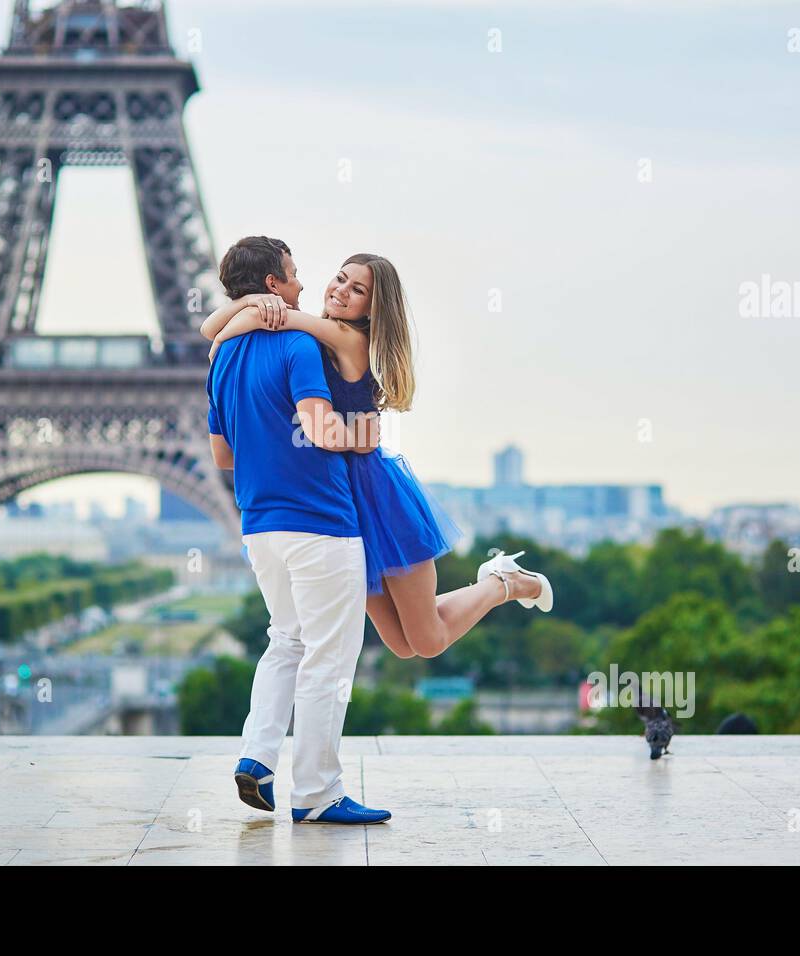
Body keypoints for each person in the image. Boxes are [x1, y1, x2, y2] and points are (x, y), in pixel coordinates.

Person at [203, 249, 553, 664]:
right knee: (404, 646)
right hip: (333, 501)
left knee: (428, 640)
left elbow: (228, 328)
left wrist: (227, 335)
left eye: (358, 289)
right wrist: (248, 302)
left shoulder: (349, 339)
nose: (341, 291)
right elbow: (222, 326)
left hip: (375, 498)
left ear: (373, 307)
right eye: (339, 279)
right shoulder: (310, 342)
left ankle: (504, 582)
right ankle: (501, 580)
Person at [207, 235, 391, 824]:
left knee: (284, 641)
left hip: (260, 524)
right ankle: (315, 792)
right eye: (293, 275)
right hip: (320, 522)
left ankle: (257, 757)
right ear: (272, 286)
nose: (304, 285)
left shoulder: (222, 358)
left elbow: (222, 456)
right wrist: (365, 434)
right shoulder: (297, 345)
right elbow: (319, 429)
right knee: (330, 660)